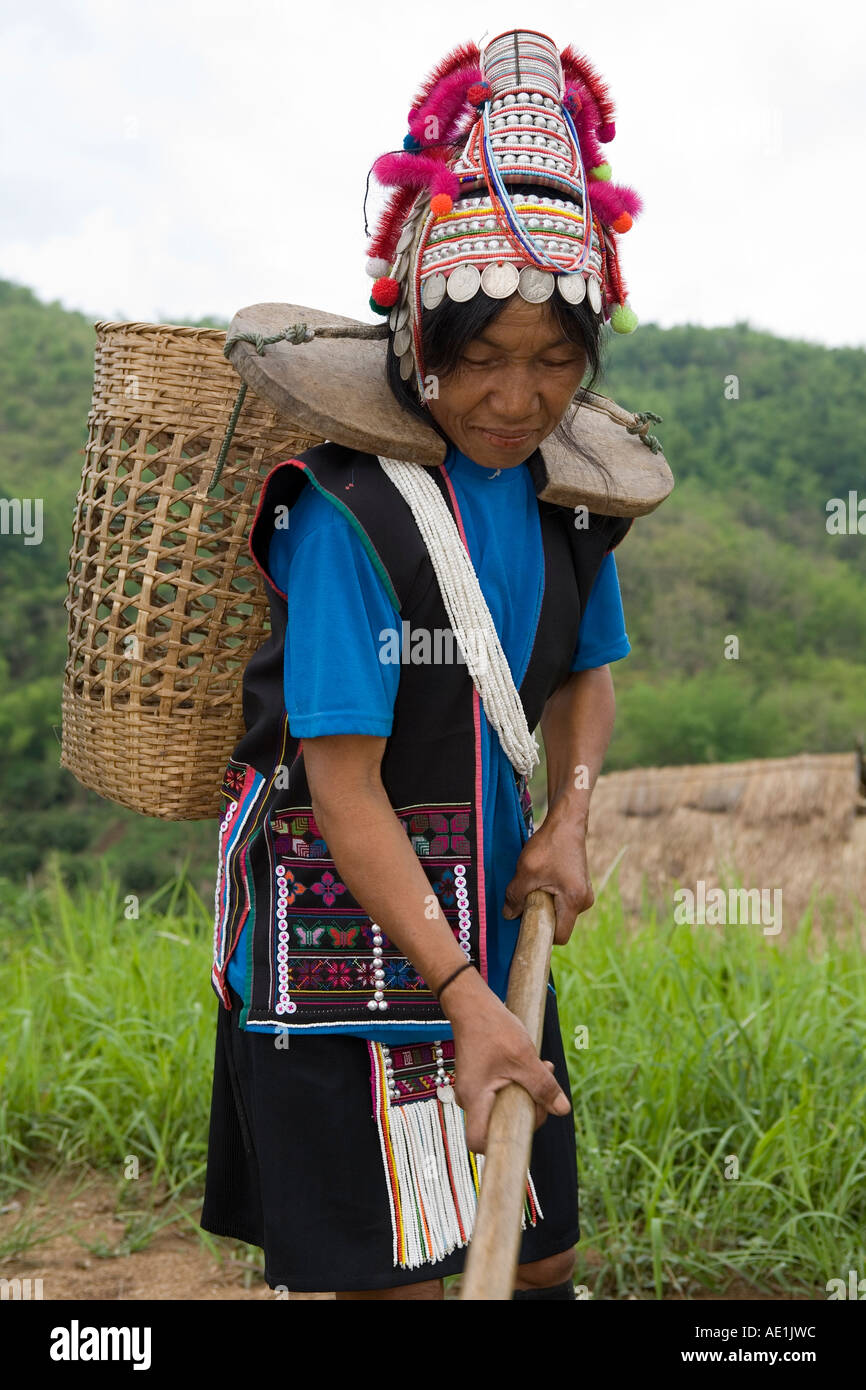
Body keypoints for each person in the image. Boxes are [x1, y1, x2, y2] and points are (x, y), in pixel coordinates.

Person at [201, 25, 645, 1301]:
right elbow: (341, 788)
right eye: (481, 360)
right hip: (351, 930)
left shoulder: (568, 502)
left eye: (553, 360)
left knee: (537, 1257)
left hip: (490, 927)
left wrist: (566, 820)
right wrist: (458, 996)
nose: (515, 397)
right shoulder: (347, 516)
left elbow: (581, 680)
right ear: (416, 346)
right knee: (394, 1272)